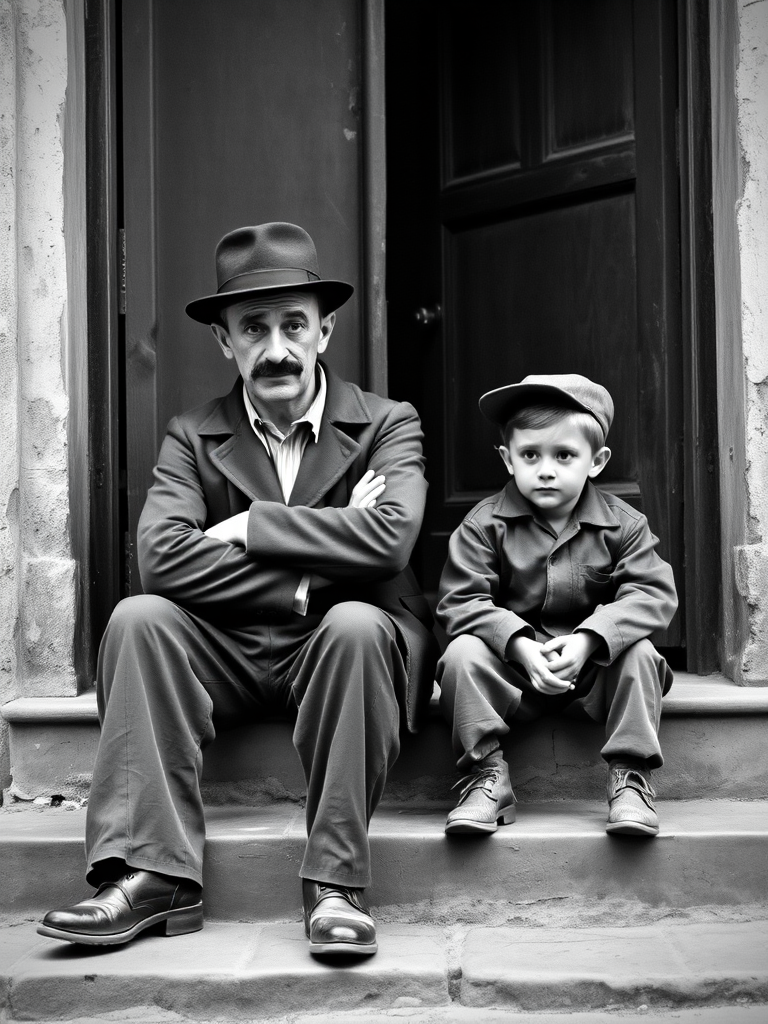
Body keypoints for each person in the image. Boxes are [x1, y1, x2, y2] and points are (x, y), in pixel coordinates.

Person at [38, 222, 438, 956]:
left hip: (339, 649)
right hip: (225, 651)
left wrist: (252, 527)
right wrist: (315, 560)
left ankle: (336, 883)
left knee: (354, 623)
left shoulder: (388, 423)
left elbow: (390, 541)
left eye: (294, 325)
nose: (277, 348)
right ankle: (151, 877)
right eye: (254, 328)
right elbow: (162, 560)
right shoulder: (192, 435)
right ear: (226, 341)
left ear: (326, 330)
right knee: (139, 617)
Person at [435, 374, 678, 838]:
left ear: (596, 461)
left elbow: (652, 594)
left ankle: (630, 776)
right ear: (508, 459)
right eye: (530, 455)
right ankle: (486, 774)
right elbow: (459, 600)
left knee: (642, 654)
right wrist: (520, 646)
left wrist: (589, 640)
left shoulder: (624, 526)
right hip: (513, 677)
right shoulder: (483, 525)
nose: (546, 469)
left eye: (564, 455)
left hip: (591, 676)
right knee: (462, 654)